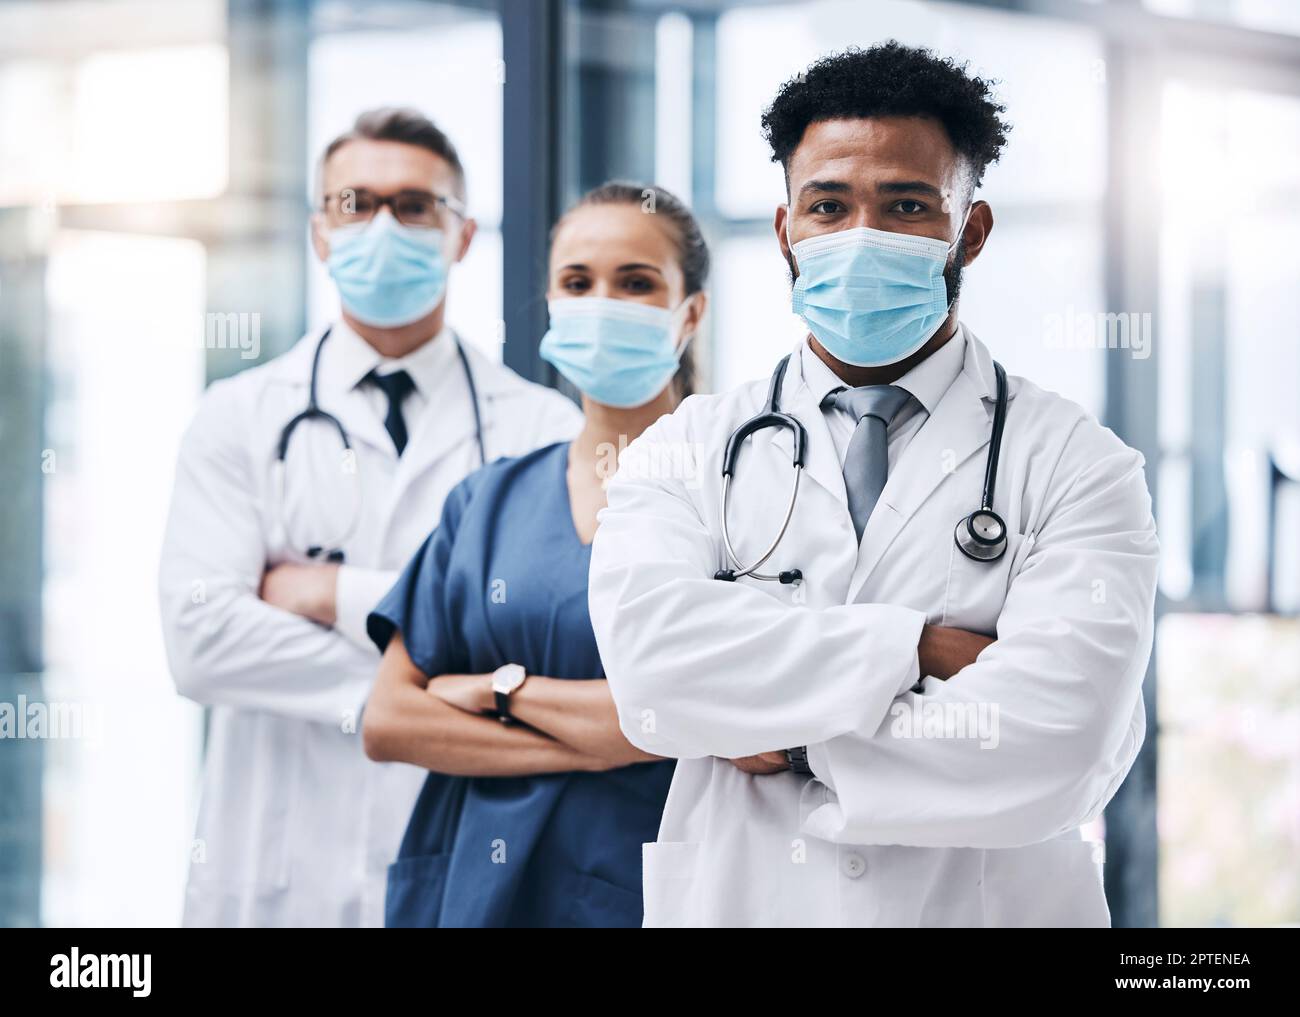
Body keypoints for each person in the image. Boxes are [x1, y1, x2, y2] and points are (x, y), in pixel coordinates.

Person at [588, 43, 1160, 927]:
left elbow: (1055, 743)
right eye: (828, 206)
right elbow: (654, 680)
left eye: (906, 205)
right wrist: (919, 649)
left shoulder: (1082, 467)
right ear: (786, 231)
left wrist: (783, 737)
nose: (862, 235)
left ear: (969, 231)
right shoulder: (687, 449)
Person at [158, 108, 581, 927]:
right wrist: (426, 697)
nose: (384, 224)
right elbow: (200, 640)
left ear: (462, 235)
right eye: (357, 203)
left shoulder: (541, 431)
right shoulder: (238, 416)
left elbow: (542, 650)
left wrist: (334, 595)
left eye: (415, 205)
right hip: (276, 872)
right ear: (320, 231)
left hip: (461, 866)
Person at [361, 182, 707, 927]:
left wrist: (496, 691)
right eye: (577, 283)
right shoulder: (488, 499)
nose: (602, 302)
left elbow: (718, 723)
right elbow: (388, 719)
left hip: (644, 893)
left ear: (691, 311)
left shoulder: (736, 497)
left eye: (637, 282)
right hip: (470, 892)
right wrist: (606, 742)